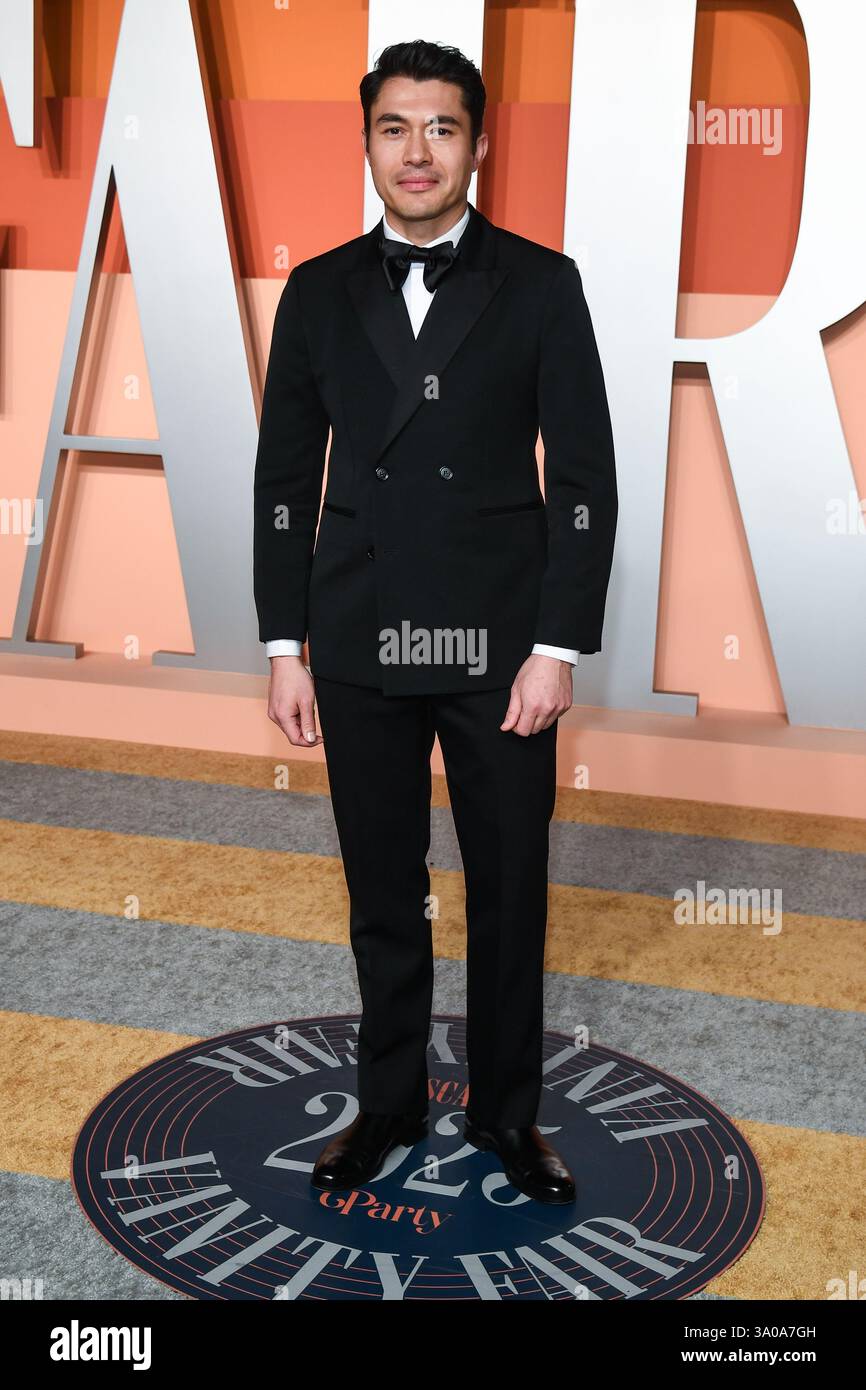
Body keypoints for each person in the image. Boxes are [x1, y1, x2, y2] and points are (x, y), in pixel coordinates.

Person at [253, 39, 617, 1204]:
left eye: (442, 127)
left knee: (508, 888)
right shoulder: (315, 290)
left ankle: (509, 1119)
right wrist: (281, 646)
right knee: (382, 887)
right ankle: (390, 1105)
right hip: (355, 637)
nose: (418, 151)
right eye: (394, 128)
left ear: (477, 143)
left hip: (498, 646)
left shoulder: (541, 282)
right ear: (365, 143)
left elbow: (585, 477)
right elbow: (280, 477)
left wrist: (556, 647)